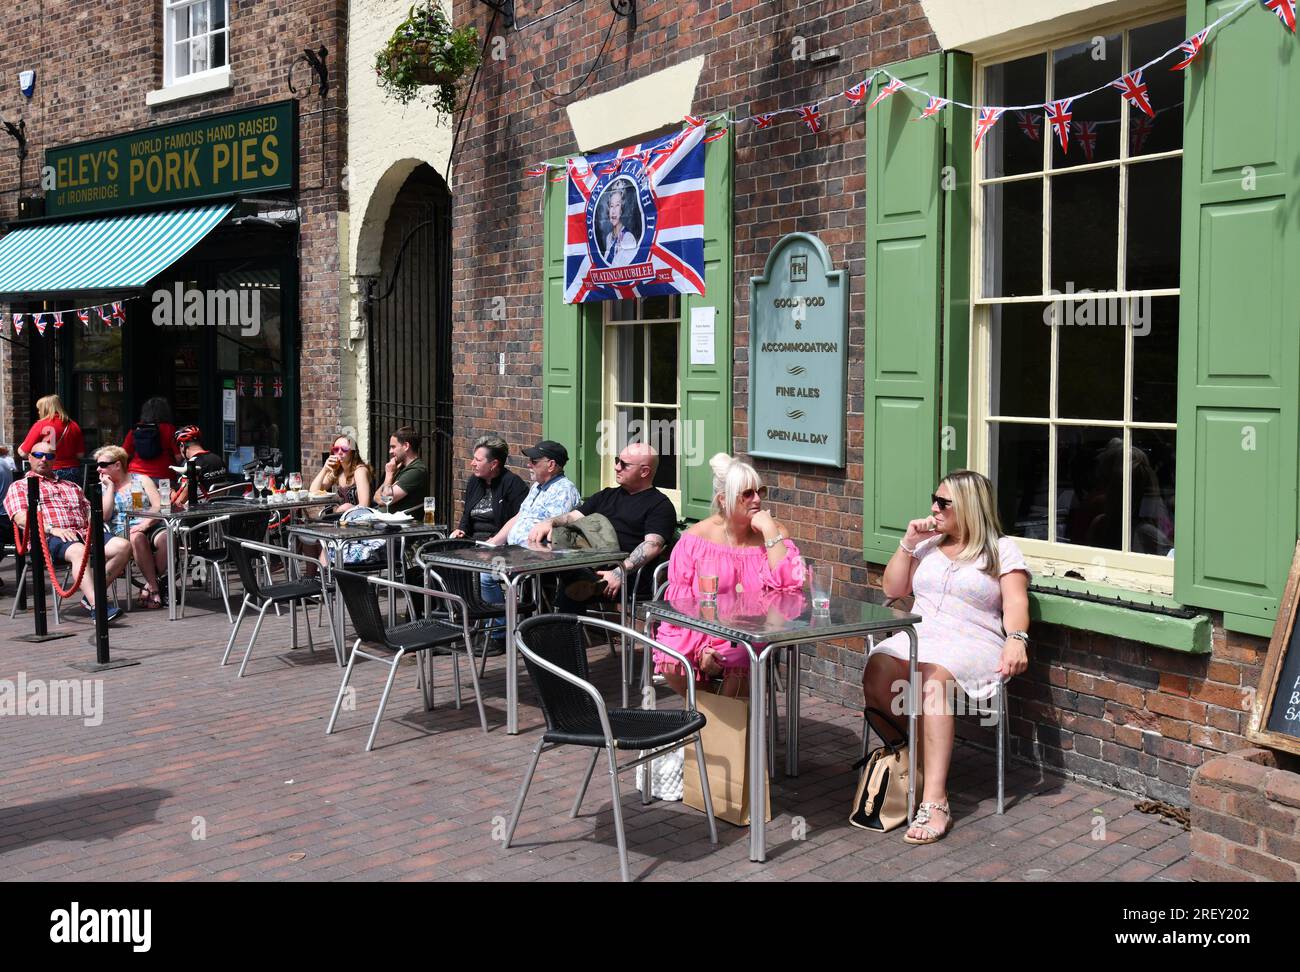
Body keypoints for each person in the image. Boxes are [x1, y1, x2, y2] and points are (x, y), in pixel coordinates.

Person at [861, 470, 1030, 845]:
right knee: (877, 670)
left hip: (973, 641)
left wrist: (1017, 638)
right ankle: (916, 756)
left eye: (943, 503)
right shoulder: (928, 544)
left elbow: (1016, 601)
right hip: (922, 635)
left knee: (932, 681)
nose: (933, 508)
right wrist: (908, 542)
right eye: (933, 499)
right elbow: (893, 589)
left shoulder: (1001, 550)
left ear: (968, 507)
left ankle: (935, 800)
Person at [651, 454, 804, 698]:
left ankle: (715, 730)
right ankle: (720, 725)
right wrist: (704, 648)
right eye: (747, 494)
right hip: (702, 628)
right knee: (671, 655)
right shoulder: (696, 539)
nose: (757, 499)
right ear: (724, 499)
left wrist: (768, 529)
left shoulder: (773, 533)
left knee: (742, 654)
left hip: (756, 629)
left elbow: (791, 586)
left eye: (759, 491)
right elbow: (682, 604)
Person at [529, 441, 676, 610]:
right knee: (542, 569)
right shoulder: (607, 495)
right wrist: (550, 522)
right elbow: (573, 516)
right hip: (589, 564)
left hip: (626, 578)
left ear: (644, 471)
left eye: (624, 464)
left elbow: (652, 545)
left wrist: (619, 572)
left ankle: (554, 628)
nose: (616, 467)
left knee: (570, 584)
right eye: (616, 460)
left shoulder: (659, 505)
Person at [3, 441, 129, 620]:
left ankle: (90, 595)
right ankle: (98, 607)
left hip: (85, 534)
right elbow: (21, 518)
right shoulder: (20, 486)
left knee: (123, 546)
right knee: (78, 551)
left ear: (55, 460)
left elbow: (90, 513)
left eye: (50, 456)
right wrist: (52, 529)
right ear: (29, 458)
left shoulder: (71, 486)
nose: (44, 459)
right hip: (49, 537)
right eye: (38, 455)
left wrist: (96, 516)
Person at [479, 439, 581, 650]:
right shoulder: (537, 487)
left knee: (487, 575)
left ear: (551, 465)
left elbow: (552, 535)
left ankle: (501, 633)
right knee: (477, 566)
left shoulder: (563, 490)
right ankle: (504, 625)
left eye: (534, 461)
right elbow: (519, 517)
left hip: (535, 558)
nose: (528, 465)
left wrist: (513, 552)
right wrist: (493, 543)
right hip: (514, 551)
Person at [95, 445, 165, 609]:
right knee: (136, 537)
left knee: (167, 538)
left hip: (149, 523)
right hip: (122, 530)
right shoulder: (102, 488)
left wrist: (146, 523)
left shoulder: (141, 479)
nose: (99, 469)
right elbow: (104, 516)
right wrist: (110, 488)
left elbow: (157, 506)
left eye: (103, 465)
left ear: (118, 465)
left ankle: (149, 584)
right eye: (98, 465)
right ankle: (154, 588)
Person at [449, 435, 528, 542]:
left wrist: (496, 539)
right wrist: (462, 529)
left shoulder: (513, 484)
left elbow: (519, 521)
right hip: (471, 542)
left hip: (498, 545)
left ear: (494, 464)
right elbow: (466, 514)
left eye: (478, 460)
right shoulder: (474, 481)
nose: (472, 463)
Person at [19, 394, 85, 485]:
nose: (38, 412)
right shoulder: (73, 425)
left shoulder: (40, 425)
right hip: (73, 472)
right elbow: (80, 455)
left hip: (49, 471)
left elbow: (23, 453)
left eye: (39, 409)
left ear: (45, 409)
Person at [122, 396, 181, 483]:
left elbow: (124, 453)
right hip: (163, 475)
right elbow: (178, 457)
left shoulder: (136, 428)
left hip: (136, 474)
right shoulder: (169, 429)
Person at [309, 434, 372, 514]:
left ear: (353, 452)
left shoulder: (360, 471)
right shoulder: (338, 471)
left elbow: (364, 505)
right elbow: (313, 491)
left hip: (363, 519)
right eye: (336, 449)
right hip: (345, 518)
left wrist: (345, 507)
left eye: (344, 449)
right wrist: (325, 469)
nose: (339, 452)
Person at [170, 425, 230, 506]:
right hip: (220, 507)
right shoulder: (218, 459)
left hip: (201, 511)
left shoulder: (192, 464)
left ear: (182, 446)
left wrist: (170, 492)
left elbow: (179, 502)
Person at [375, 426, 429, 514]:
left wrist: (389, 475)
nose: (390, 451)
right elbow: (376, 497)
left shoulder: (416, 471)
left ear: (406, 446)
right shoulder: (399, 468)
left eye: (393, 447)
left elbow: (384, 500)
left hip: (401, 524)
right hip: (383, 519)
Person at [602, 184, 639, 267]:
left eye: (617, 205)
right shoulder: (609, 237)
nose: (613, 211)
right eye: (611, 206)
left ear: (622, 209)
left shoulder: (628, 237)